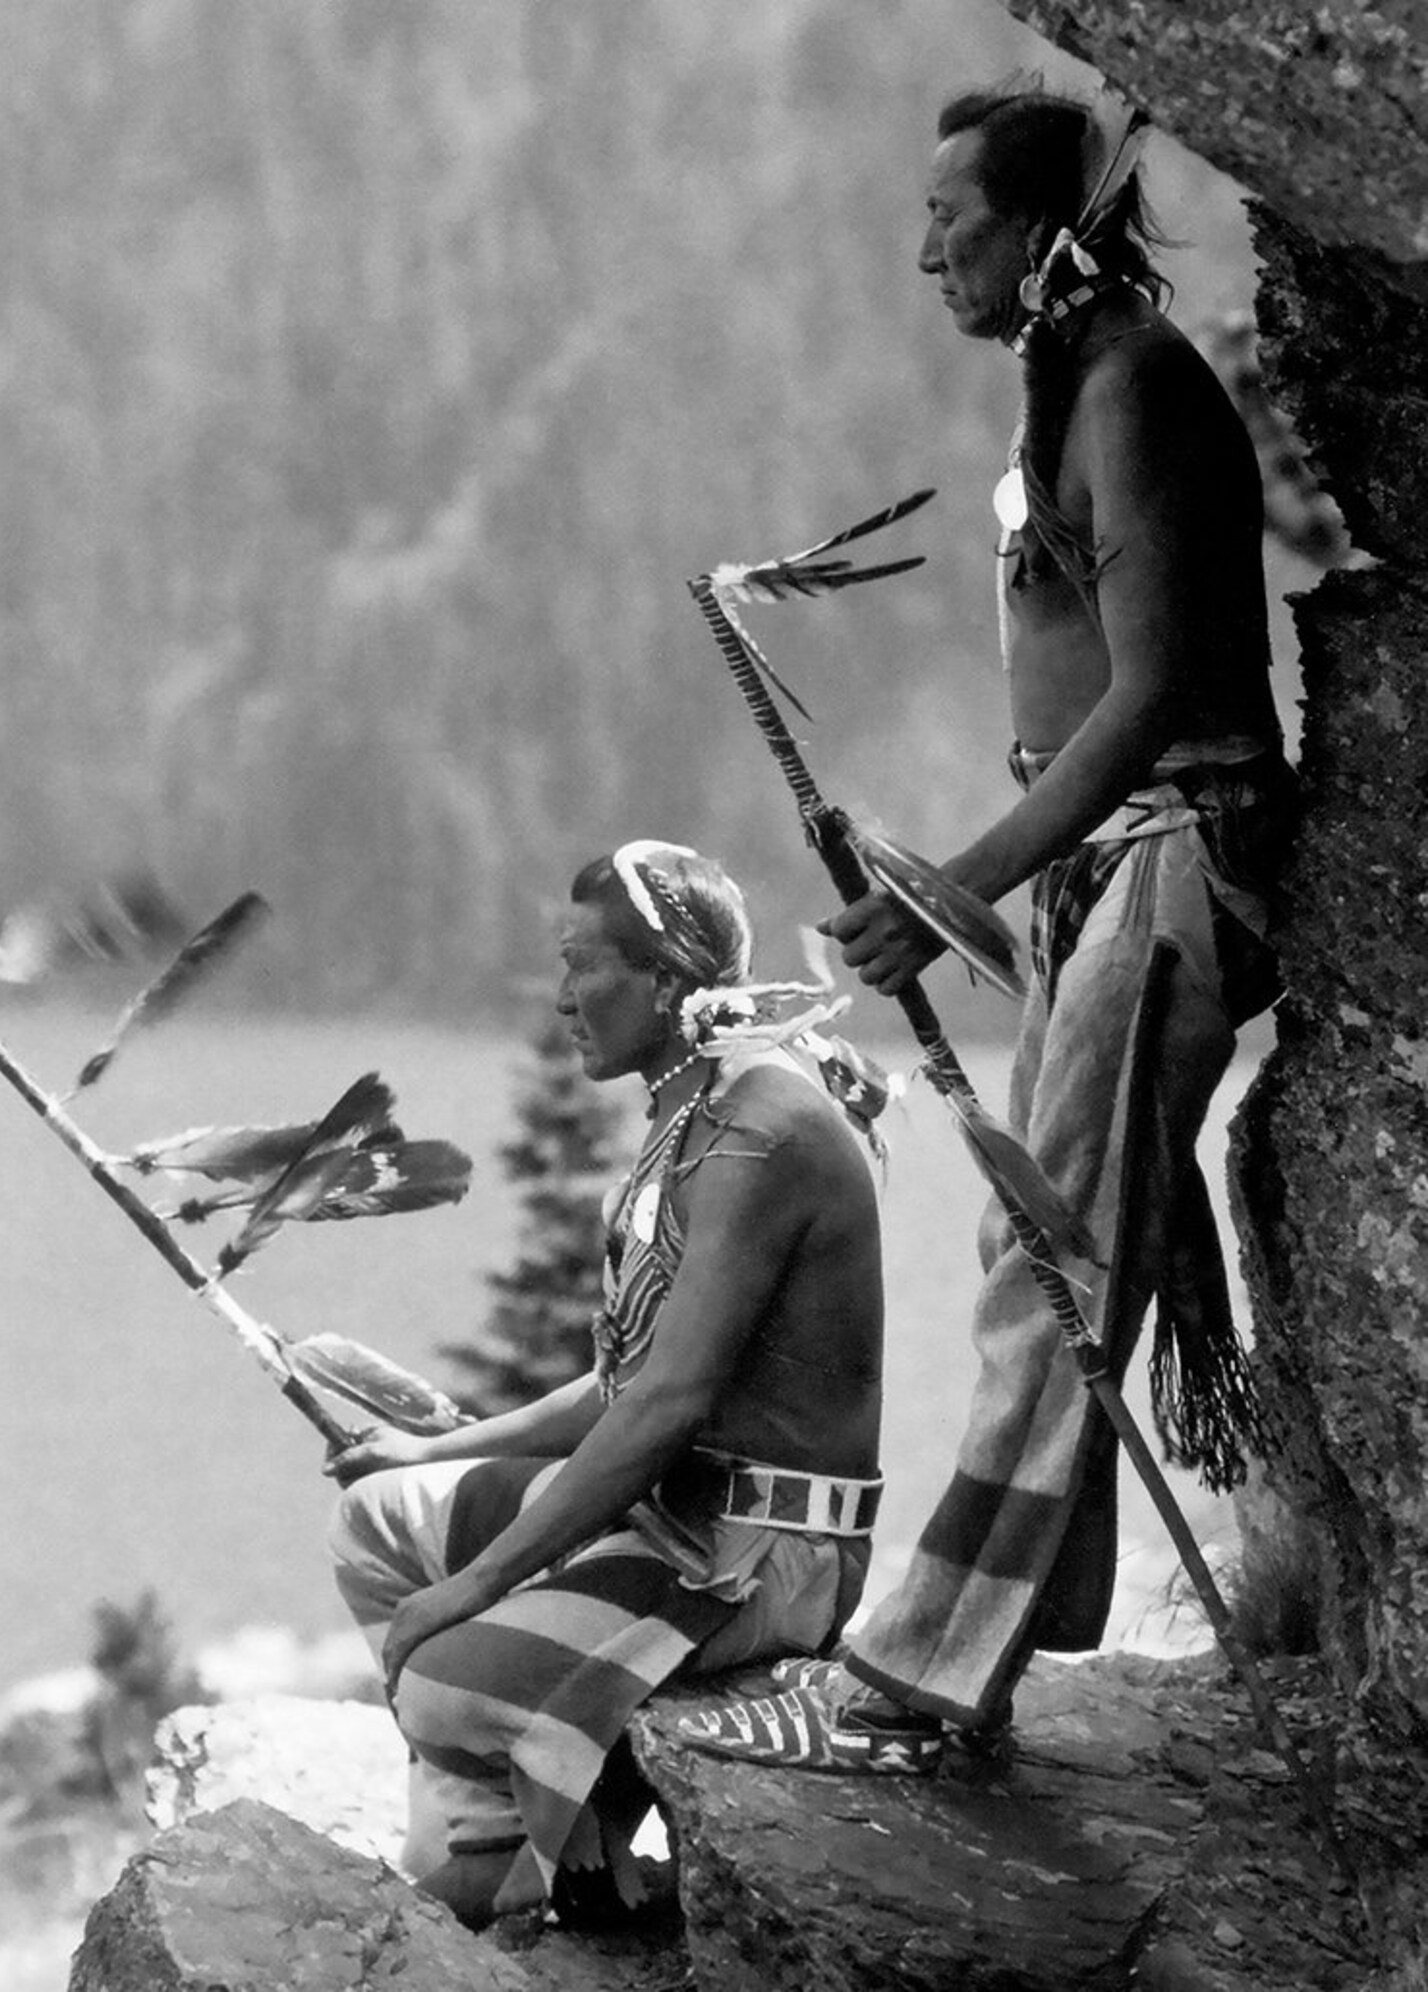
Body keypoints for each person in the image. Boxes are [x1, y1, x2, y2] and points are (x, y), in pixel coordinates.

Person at [678, 81, 1297, 1777]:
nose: (922, 248)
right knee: (1035, 1241)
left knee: (1049, 1257)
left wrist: (950, 892)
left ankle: (923, 1668)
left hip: (1173, 859)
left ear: (1040, 232)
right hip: (1114, 859)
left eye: (949, 217)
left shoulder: (1133, 389)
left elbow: (1162, 684)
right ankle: (1034, 1613)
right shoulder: (1076, 385)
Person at [326, 839, 887, 1924]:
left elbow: (666, 1405)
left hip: (756, 1552)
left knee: (439, 1679)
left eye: (583, 965)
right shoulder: (696, 1114)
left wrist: (474, 1586)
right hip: (678, 1512)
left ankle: (568, 1872)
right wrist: (433, 1451)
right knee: (378, 1520)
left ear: (669, 979)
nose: (563, 998)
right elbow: (622, 1379)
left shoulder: (757, 1133)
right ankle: (498, 1838)